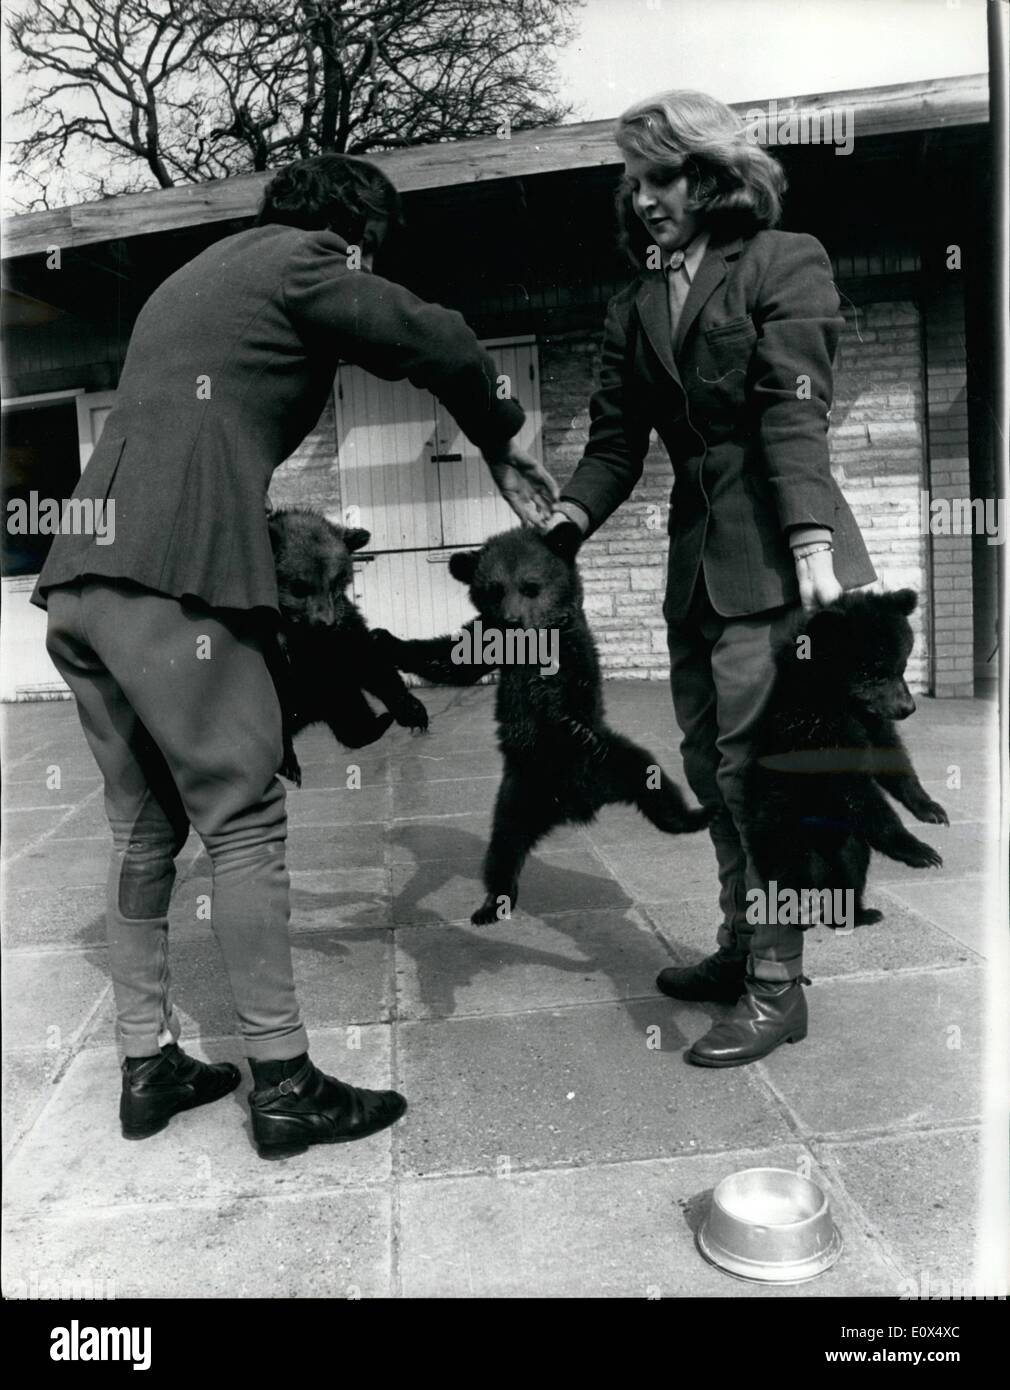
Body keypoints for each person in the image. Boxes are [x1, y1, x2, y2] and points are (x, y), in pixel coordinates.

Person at [33, 153, 558, 1155]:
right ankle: (283, 1085)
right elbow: (436, 335)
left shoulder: (189, 281)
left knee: (145, 831)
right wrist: (496, 433)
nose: (364, 263)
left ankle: (148, 1068)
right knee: (242, 823)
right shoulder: (305, 257)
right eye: (370, 249)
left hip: (79, 580)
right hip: (171, 577)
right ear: (351, 232)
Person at [546, 90, 876, 1066]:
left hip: (780, 564)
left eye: (665, 175)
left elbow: (792, 410)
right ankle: (740, 951)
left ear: (711, 173)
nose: (646, 198)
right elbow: (612, 447)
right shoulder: (634, 304)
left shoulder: (782, 261)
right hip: (694, 579)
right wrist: (561, 522)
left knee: (758, 778)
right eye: (634, 181)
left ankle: (778, 990)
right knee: (711, 770)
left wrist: (812, 543)